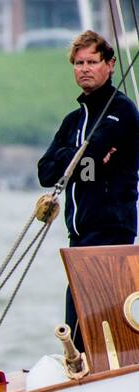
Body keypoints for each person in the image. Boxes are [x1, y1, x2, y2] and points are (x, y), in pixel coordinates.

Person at [38, 30, 139, 348]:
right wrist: (81, 156)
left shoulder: (121, 111)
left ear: (110, 64)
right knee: (78, 320)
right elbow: (46, 172)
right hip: (79, 235)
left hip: (111, 229)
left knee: (100, 319)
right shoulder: (73, 120)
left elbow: (89, 157)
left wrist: (78, 159)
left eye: (92, 62)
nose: (84, 68)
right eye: (79, 63)